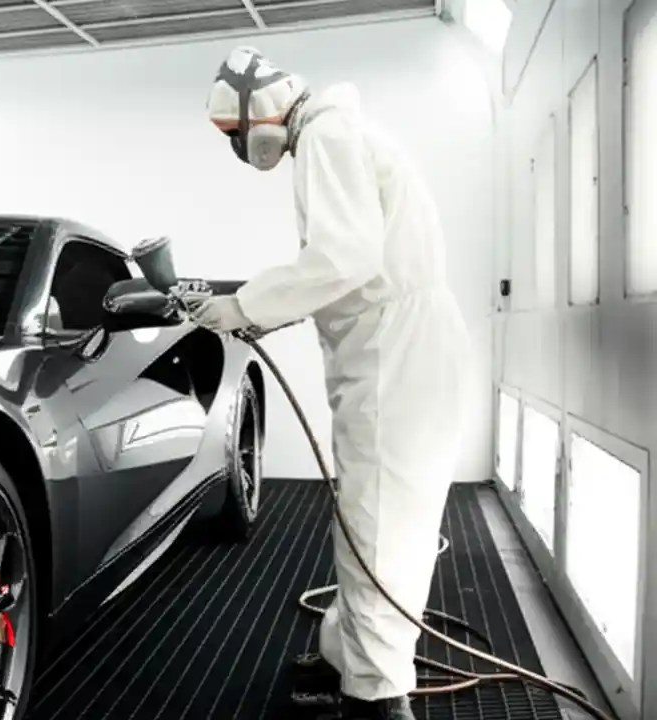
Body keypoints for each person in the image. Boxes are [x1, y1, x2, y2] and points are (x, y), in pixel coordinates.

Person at [191, 47, 472, 720]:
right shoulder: (334, 131)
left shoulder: (325, 135)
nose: (240, 149)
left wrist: (244, 306)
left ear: (258, 112)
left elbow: (344, 257)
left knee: (378, 525)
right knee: (371, 514)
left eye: (235, 134)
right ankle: (346, 655)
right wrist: (256, 303)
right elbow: (342, 265)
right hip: (395, 347)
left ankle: (376, 695)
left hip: (393, 355)